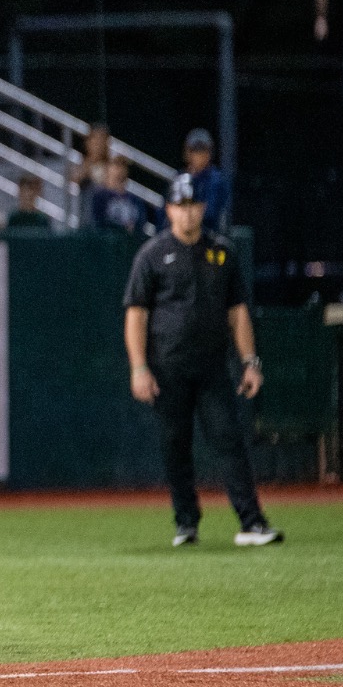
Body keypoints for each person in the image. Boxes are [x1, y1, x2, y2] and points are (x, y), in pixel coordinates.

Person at [124, 174, 282, 548]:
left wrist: (250, 361)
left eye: (193, 206)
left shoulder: (222, 252)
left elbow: (238, 313)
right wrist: (139, 367)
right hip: (168, 367)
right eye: (181, 206)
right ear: (169, 210)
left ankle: (252, 522)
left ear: (203, 209)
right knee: (175, 444)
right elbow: (136, 314)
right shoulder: (151, 255)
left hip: (212, 367)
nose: (188, 214)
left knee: (230, 440)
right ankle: (186, 523)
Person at [87, 156, 155, 236]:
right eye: (116, 165)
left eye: (123, 165)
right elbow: (97, 223)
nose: (120, 170)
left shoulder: (135, 200)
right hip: (106, 242)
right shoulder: (99, 196)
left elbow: (140, 225)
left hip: (129, 243)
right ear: (108, 169)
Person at [182, 128, 233, 230]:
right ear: (187, 153)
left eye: (202, 150)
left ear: (209, 153)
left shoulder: (217, 180)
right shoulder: (180, 178)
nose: (199, 155)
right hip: (181, 236)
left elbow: (211, 214)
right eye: (195, 150)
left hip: (208, 236)